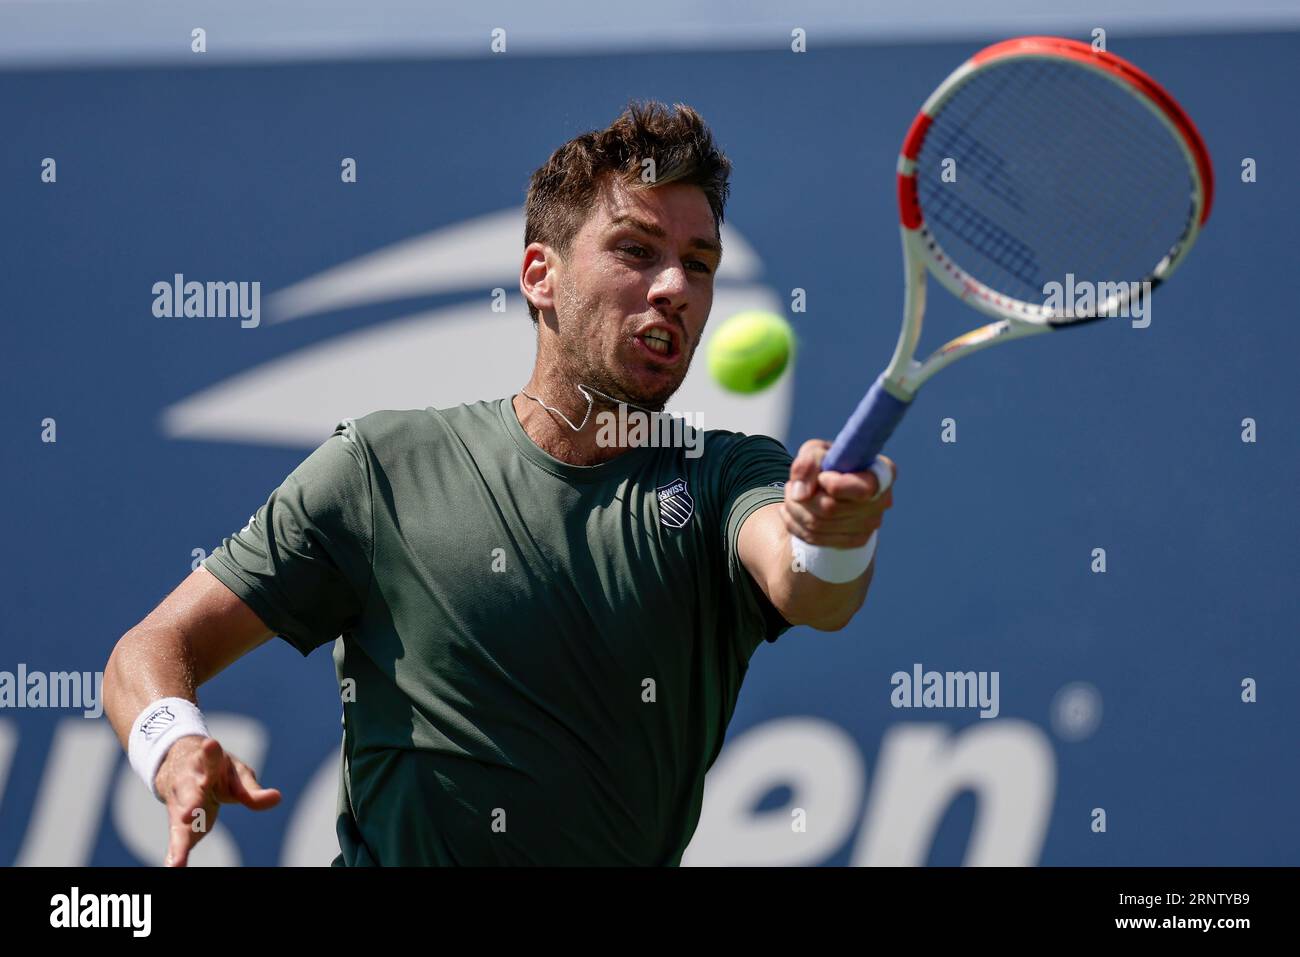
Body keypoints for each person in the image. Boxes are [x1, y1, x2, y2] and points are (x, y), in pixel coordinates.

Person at [103, 100, 895, 866]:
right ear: (539, 275)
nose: (675, 288)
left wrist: (836, 532)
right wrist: (172, 744)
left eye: (698, 264)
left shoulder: (728, 475)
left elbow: (809, 586)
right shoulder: (382, 467)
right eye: (635, 249)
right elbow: (151, 647)